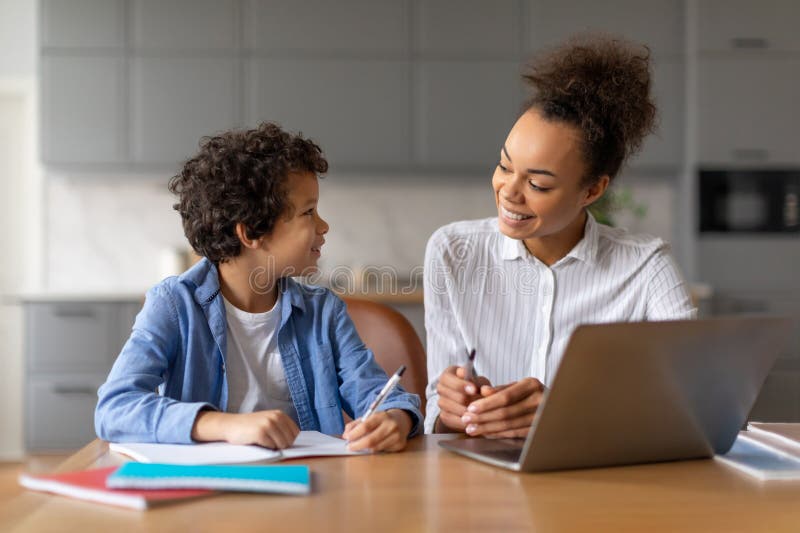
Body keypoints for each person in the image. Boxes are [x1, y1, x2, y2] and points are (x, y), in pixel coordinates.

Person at [424, 36, 696, 437]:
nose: (508, 192)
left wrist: (570, 411)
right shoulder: (452, 252)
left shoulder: (645, 267)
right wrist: (452, 406)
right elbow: (439, 410)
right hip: (486, 480)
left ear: (592, 190)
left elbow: (696, 401)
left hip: (600, 480)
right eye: (504, 166)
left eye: (537, 183)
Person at [95, 122, 421, 452]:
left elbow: (380, 394)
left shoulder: (324, 311)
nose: (324, 226)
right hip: (207, 491)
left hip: (312, 485)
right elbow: (115, 408)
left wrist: (395, 418)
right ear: (251, 232)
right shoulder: (174, 305)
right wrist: (224, 425)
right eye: (308, 212)